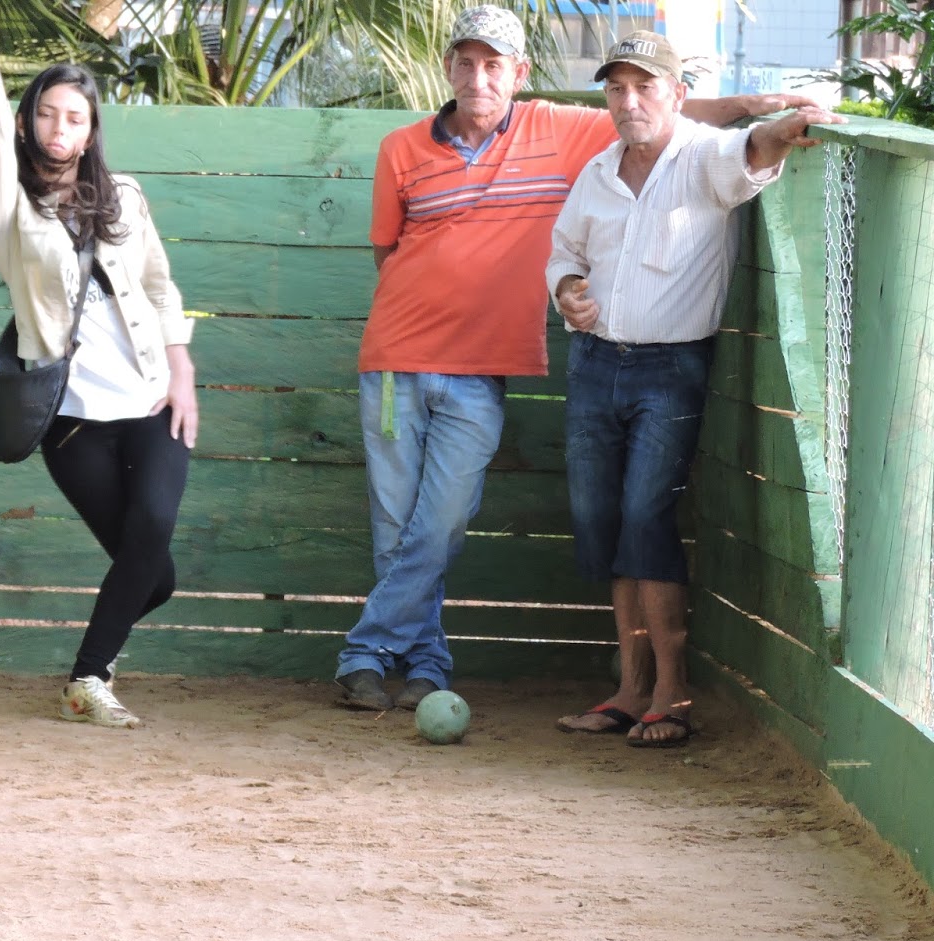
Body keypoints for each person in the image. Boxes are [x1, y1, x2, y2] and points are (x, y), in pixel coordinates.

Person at [333, 5, 813, 715]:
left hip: (484, 369)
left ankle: (364, 649)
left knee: (438, 526)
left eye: (493, 64)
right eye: (465, 62)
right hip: (396, 362)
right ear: (448, 69)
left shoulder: (563, 129)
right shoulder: (402, 149)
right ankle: (423, 663)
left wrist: (752, 107)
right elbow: (388, 254)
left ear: (519, 75)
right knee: (394, 529)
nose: (478, 77)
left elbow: (656, 106)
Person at [547, 32, 841, 746]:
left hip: (670, 367)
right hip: (593, 365)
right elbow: (565, 251)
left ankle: (672, 694)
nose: (629, 101)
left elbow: (755, 151)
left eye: (646, 86)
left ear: (676, 94)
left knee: (647, 514)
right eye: (617, 88)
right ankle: (628, 689)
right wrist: (568, 290)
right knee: (609, 520)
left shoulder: (701, 155)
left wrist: (792, 121)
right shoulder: (598, 172)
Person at [0, 0, 199, 729]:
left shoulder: (127, 197)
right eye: (47, 114)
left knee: (154, 531)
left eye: (74, 117)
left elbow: (163, 288)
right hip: (72, 421)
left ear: (90, 128)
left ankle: (86, 679)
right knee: (155, 575)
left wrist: (184, 378)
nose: (59, 129)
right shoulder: (9, 207)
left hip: (150, 401)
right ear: (28, 120)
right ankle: (92, 674)